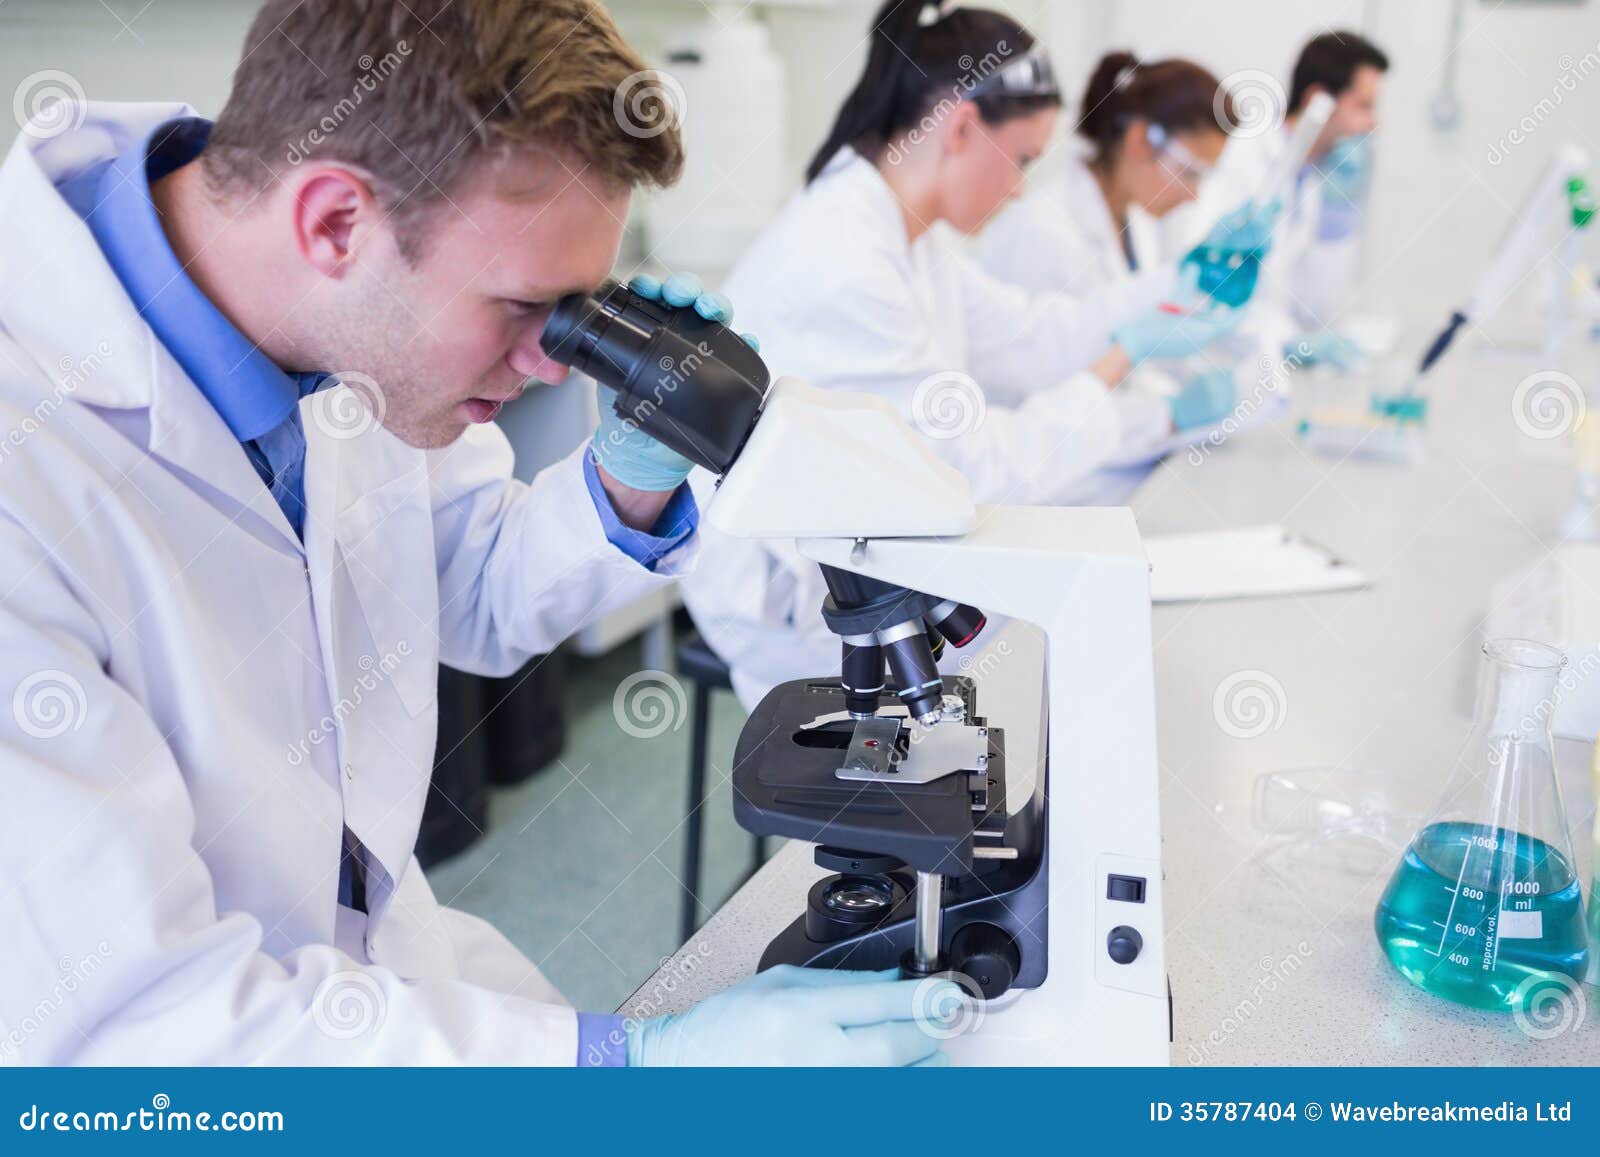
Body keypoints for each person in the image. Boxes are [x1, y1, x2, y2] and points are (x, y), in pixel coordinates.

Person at [0, 0, 954, 1067]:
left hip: (389, 995)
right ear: (334, 224)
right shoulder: (28, 466)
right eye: (524, 307)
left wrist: (627, 472)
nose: (553, 361)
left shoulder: (349, 336)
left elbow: (469, 588)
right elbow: (138, 1027)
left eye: (573, 316)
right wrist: (634, 1071)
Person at [680, 0, 1244, 709]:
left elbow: (1032, 335)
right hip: (796, 595)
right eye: (1024, 160)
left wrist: (1175, 288)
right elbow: (971, 465)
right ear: (963, 127)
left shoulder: (914, 233)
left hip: (867, 541)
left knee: (1079, 621)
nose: (1018, 190)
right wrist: (1128, 377)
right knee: (1064, 651)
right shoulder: (844, 258)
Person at [976, 52, 1247, 456]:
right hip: (1048, 486)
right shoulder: (1040, 233)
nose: (1195, 195)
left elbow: (1135, 355)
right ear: (1140, 140)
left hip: (1109, 459)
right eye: (1190, 172)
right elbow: (1048, 405)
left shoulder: (1136, 223)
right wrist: (1168, 414)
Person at [1165, 30, 1390, 371]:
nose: (1373, 123)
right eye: (1363, 106)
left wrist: (1338, 216)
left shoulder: (1310, 184)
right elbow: (1201, 288)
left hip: (1258, 373)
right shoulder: (1244, 158)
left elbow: (1315, 309)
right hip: (1206, 369)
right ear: (1318, 100)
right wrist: (1284, 341)